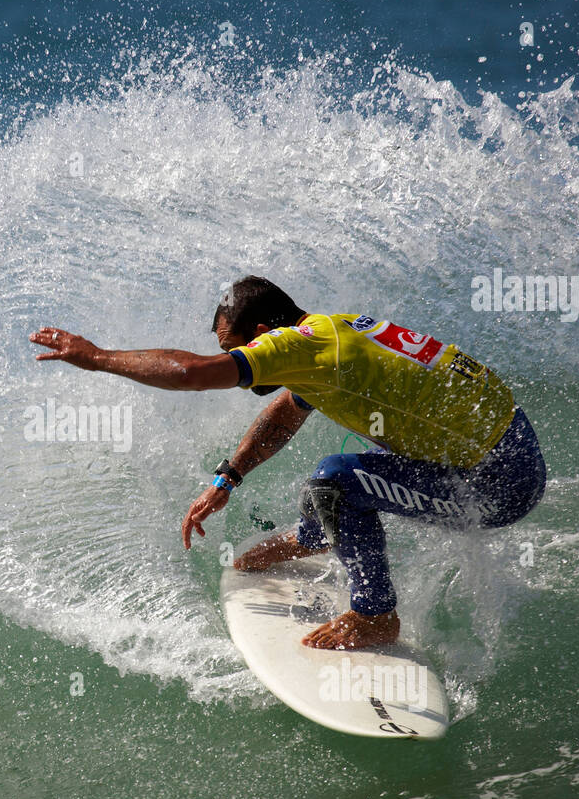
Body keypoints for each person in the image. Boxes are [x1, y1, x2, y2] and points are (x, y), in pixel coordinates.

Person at [30, 275, 546, 649]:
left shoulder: (303, 345)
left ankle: (375, 617)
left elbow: (190, 373)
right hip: (501, 448)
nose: (240, 366)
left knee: (335, 480)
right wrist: (227, 478)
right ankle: (316, 535)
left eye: (235, 348)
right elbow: (284, 412)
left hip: (497, 484)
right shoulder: (331, 334)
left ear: (263, 332)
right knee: (343, 471)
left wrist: (96, 357)